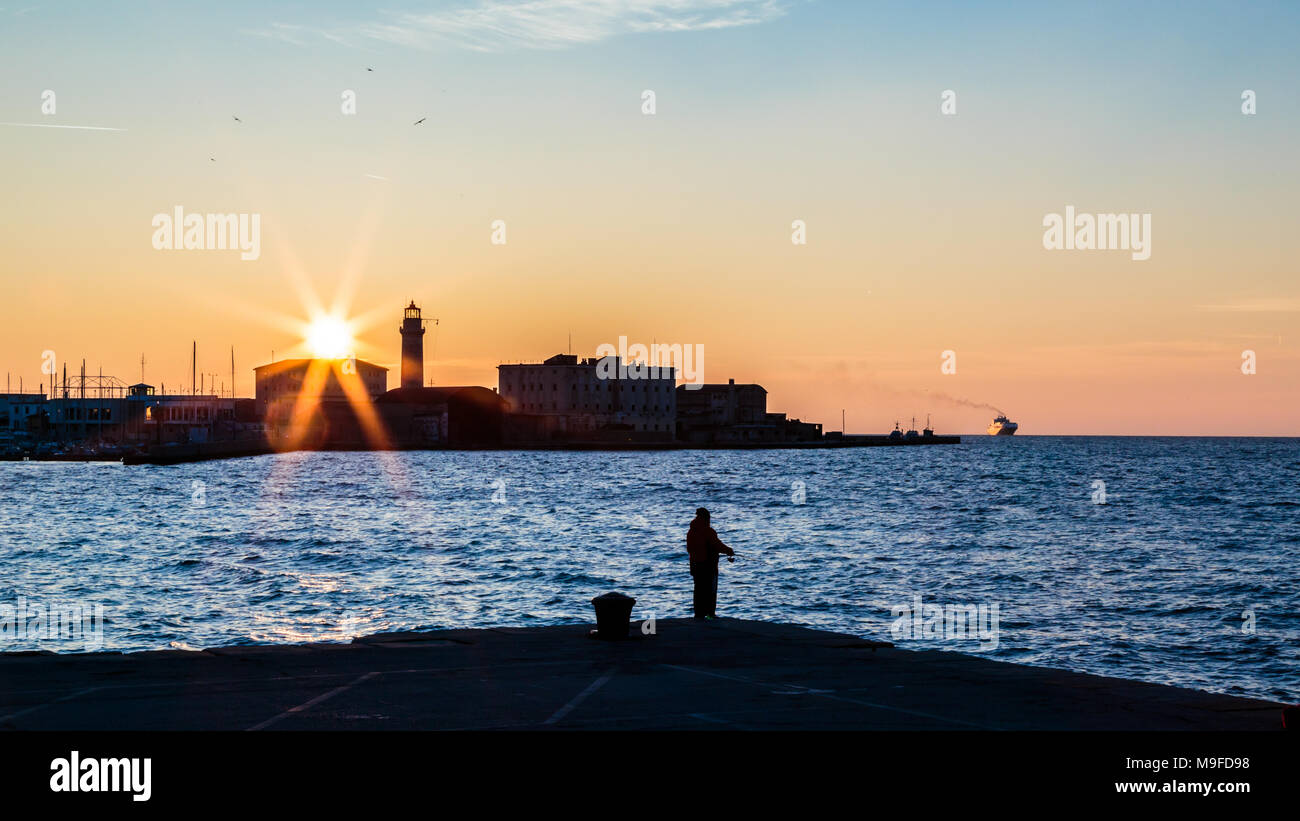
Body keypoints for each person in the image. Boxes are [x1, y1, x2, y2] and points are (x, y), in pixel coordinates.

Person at [686, 507, 734, 619]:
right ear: (706, 517)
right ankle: (709, 615)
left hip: (695, 565)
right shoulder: (708, 531)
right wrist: (729, 550)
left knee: (698, 590)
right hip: (708, 566)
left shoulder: (691, 531)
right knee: (710, 591)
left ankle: (698, 614)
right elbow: (717, 545)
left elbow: (690, 549)